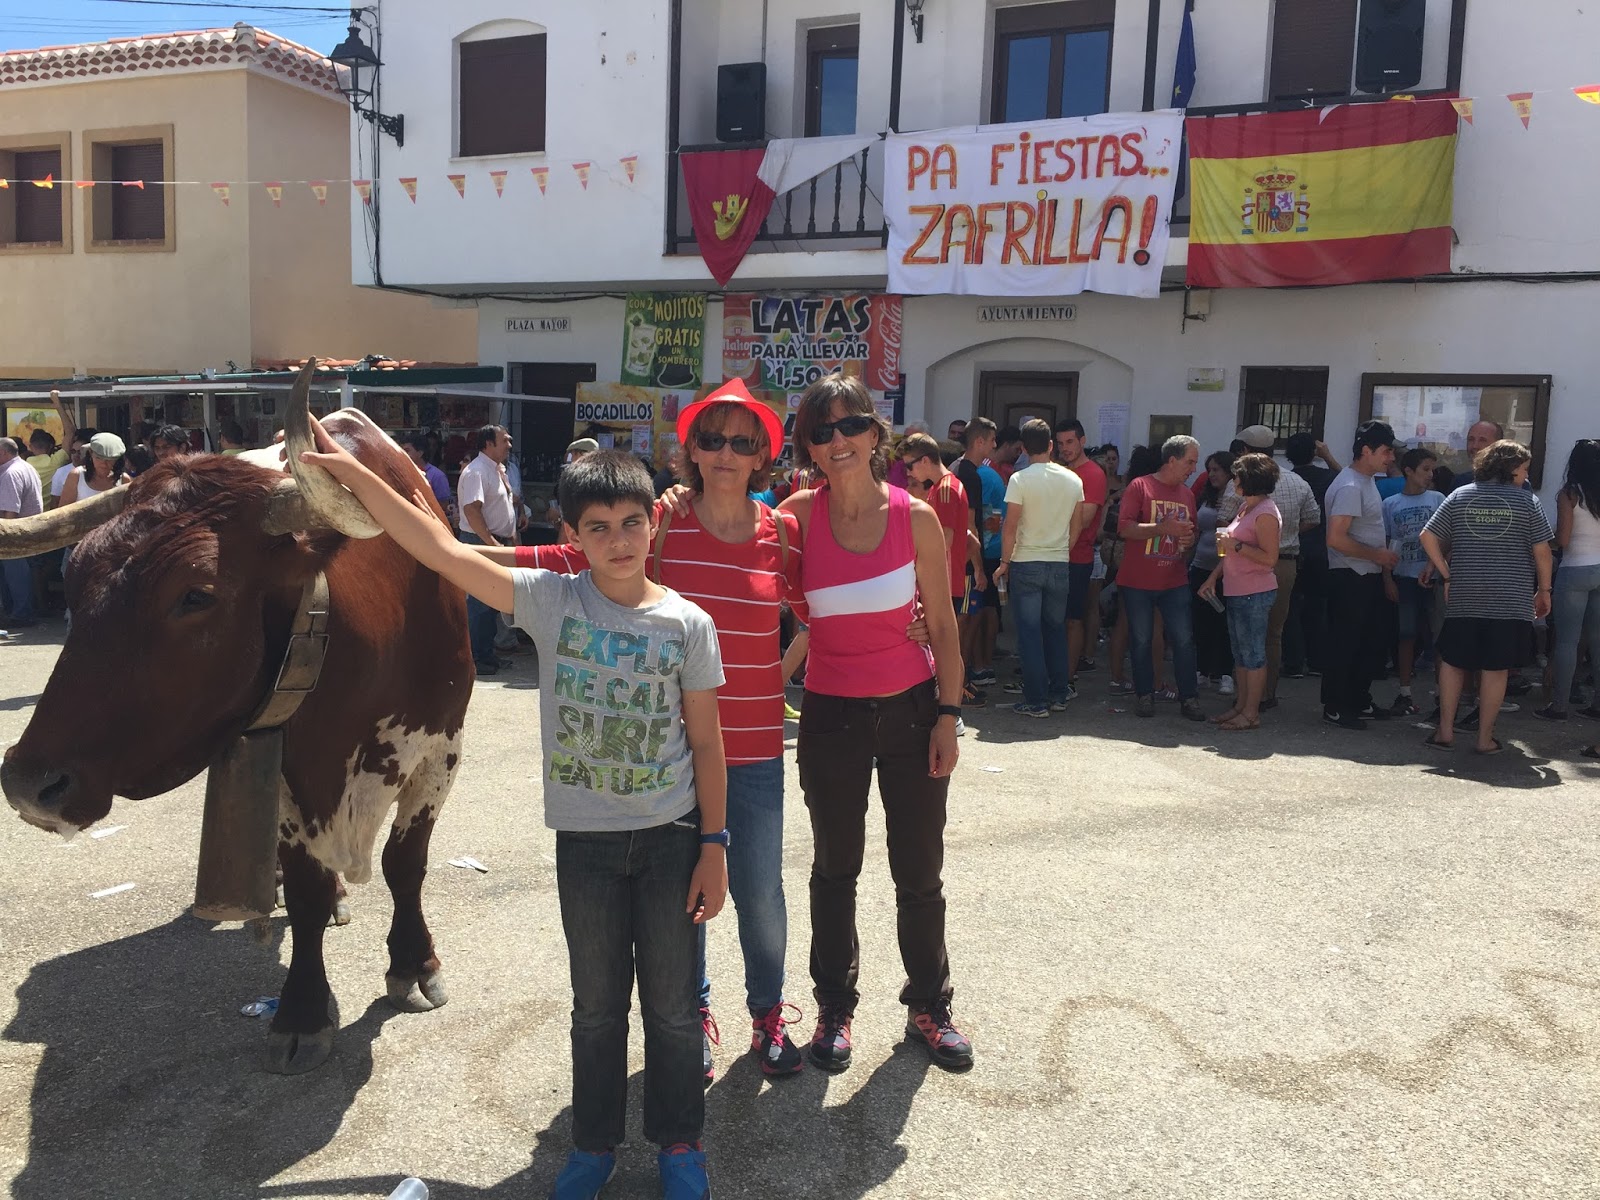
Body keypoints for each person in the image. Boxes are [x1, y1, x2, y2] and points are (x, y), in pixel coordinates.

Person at [301, 437, 730, 1200]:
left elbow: (706, 743)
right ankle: (593, 1146)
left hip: (671, 842)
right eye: (596, 527)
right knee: (596, 1011)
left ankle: (680, 1145)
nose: (617, 540)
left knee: (670, 1012)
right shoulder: (549, 600)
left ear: (652, 527)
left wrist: (714, 847)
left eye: (632, 522)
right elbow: (437, 546)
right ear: (571, 536)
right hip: (587, 848)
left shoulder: (688, 625)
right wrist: (357, 472)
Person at [496, 382, 809, 1084]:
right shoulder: (661, 524)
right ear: (690, 450)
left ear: (763, 454)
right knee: (684, 906)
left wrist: (779, 673)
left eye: (742, 441)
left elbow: (819, 611)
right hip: (671, 753)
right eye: (712, 439)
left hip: (753, 750)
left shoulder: (781, 533)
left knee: (759, 894)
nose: (726, 453)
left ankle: (768, 1014)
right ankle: (693, 1016)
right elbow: (585, 567)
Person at [784, 373, 970, 1073]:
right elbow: (734, 542)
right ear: (807, 445)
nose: (839, 441)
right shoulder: (795, 516)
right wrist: (678, 496)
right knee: (835, 868)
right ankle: (835, 1008)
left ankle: (930, 1005)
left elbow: (945, 626)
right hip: (830, 714)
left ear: (875, 433)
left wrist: (948, 717)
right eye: (822, 430)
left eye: (850, 425)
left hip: (913, 711)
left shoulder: (915, 517)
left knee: (919, 870)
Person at [1420, 441, 1553, 754]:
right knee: (1496, 668)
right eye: (1523, 469)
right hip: (1511, 597)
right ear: (1510, 468)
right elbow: (1542, 551)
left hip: (1465, 593)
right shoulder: (1527, 502)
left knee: (1453, 662)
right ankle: (1484, 739)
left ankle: (1445, 731)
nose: (1524, 475)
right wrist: (1544, 590)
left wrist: (1446, 573)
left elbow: (1428, 535)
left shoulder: (1461, 495)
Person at [1215, 427, 1320, 710]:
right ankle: (1265, 695)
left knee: (1247, 637)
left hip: (1251, 566)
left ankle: (1247, 701)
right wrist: (1286, 534)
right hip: (1286, 564)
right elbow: (1313, 518)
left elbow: (1223, 522)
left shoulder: (1244, 487)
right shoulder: (1297, 481)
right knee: (1273, 635)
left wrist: (1251, 539)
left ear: (1244, 450)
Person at [993, 419, 1084, 716]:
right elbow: (1077, 524)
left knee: (1030, 634)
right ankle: (1059, 693)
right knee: (1055, 630)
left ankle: (1035, 700)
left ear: (1022, 448)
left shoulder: (1020, 479)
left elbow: (1010, 527)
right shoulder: (1073, 479)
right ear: (1050, 445)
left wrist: (1005, 562)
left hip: (1025, 561)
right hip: (1058, 562)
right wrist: (1061, 550)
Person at [1116, 435, 1205, 721]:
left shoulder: (1188, 494)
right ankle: (1145, 695)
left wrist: (1188, 539)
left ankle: (1189, 698)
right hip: (1137, 580)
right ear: (1172, 460)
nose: (1193, 468)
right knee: (1141, 640)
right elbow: (1125, 529)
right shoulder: (1140, 486)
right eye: (1189, 461)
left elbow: (1190, 532)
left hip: (1174, 579)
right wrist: (1161, 528)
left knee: (1184, 640)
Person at [1321, 422, 1402, 730]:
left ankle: (1357, 698)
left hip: (1366, 574)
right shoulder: (1350, 486)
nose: (1391, 458)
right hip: (1349, 575)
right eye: (1386, 451)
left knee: (1369, 641)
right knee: (1346, 642)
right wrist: (1377, 556)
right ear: (1366, 450)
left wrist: (1381, 569)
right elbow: (1335, 538)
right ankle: (1336, 705)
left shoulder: (1364, 480)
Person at [900, 433, 982, 708]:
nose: (908, 472)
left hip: (944, 582)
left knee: (946, 646)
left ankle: (951, 705)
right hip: (947, 579)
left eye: (910, 466)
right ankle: (950, 702)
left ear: (925, 460)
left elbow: (944, 540)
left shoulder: (945, 488)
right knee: (945, 645)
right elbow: (971, 539)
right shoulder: (945, 486)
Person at [1199, 454, 1281, 730]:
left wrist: (1235, 545)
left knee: (1253, 654)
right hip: (1238, 590)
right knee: (1241, 653)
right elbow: (1231, 550)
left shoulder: (1266, 512)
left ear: (1249, 480)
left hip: (1254, 591)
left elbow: (1270, 559)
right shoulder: (1248, 508)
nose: (1234, 480)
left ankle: (1251, 712)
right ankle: (1241, 707)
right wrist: (1213, 577)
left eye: (1237, 476)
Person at [1536, 439, 1600, 721]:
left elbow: (1562, 539)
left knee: (1567, 642)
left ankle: (1559, 705)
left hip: (1575, 569)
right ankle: (1597, 705)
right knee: (1598, 641)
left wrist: (1540, 541)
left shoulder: (1569, 494)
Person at [1381, 449, 1444, 716]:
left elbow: (1446, 538)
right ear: (1408, 471)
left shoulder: (1438, 499)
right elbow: (1386, 543)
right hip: (1404, 575)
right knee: (1406, 634)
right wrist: (1387, 579)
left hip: (1435, 577)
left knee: (1440, 636)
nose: (1430, 475)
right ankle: (1404, 691)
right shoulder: (1391, 503)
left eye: (1432, 470)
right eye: (1425, 469)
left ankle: (1444, 695)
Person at [456, 424, 518, 675]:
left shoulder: (496, 469)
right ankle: (476, 658)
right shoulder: (476, 472)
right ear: (488, 444)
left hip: (494, 541)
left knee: (492, 601)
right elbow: (472, 511)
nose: (509, 445)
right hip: (480, 542)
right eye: (505, 440)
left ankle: (486, 654)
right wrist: (491, 544)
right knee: (481, 603)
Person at [1282, 433, 1341, 679]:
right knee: (1318, 606)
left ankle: (1294, 663)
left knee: (1291, 606)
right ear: (1313, 453)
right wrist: (1327, 455)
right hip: (1321, 547)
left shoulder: (1288, 480)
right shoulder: (1328, 477)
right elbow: (1345, 476)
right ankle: (1317, 661)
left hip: (1294, 547)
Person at [1053, 419, 1106, 686]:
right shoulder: (1059, 471)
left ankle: (1067, 679)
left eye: (1070, 442)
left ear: (1082, 441)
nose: (1065, 448)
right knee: (1053, 621)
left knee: (1073, 620)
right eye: (1060, 443)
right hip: (1054, 556)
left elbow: (1084, 520)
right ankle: (1053, 676)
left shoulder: (1093, 474)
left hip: (1078, 558)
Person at [952, 418, 997, 692]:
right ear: (979, 441)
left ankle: (958, 679)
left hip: (958, 559)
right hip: (966, 563)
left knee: (964, 621)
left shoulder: (958, 468)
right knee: (964, 622)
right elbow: (968, 526)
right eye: (992, 440)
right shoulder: (969, 474)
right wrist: (978, 567)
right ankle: (957, 682)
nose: (995, 445)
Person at [1190, 451, 1236, 694]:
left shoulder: (1238, 499)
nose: (1213, 474)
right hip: (1200, 565)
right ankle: (1203, 669)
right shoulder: (1206, 497)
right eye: (1211, 469)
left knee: (1224, 623)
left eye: (1217, 469)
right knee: (1201, 621)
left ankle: (1225, 672)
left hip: (1226, 570)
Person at [0, 436, 45, 627]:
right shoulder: (25, 467)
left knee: (15, 574)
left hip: (15, 533)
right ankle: (18, 611)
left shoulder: (10, 473)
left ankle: (21, 614)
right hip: (29, 531)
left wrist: (5, 537)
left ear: (2, 453)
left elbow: (11, 509)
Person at [26, 393, 75, 506]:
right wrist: (57, 403)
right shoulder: (55, 462)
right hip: (47, 514)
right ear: (51, 446)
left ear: (30, 446)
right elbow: (70, 432)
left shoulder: (24, 464)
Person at [58, 432, 127, 507]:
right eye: (99, 458)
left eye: (109, 460)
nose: (104, 464)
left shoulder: (124, 480)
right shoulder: (76, 477)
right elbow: (63, 511)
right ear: (91, 453)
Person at [403, 432, 453, 519]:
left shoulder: (437, 476)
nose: (402, 453)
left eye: (407, 450)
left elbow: (443, 505)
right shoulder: (402, 472)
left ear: (420, 453)